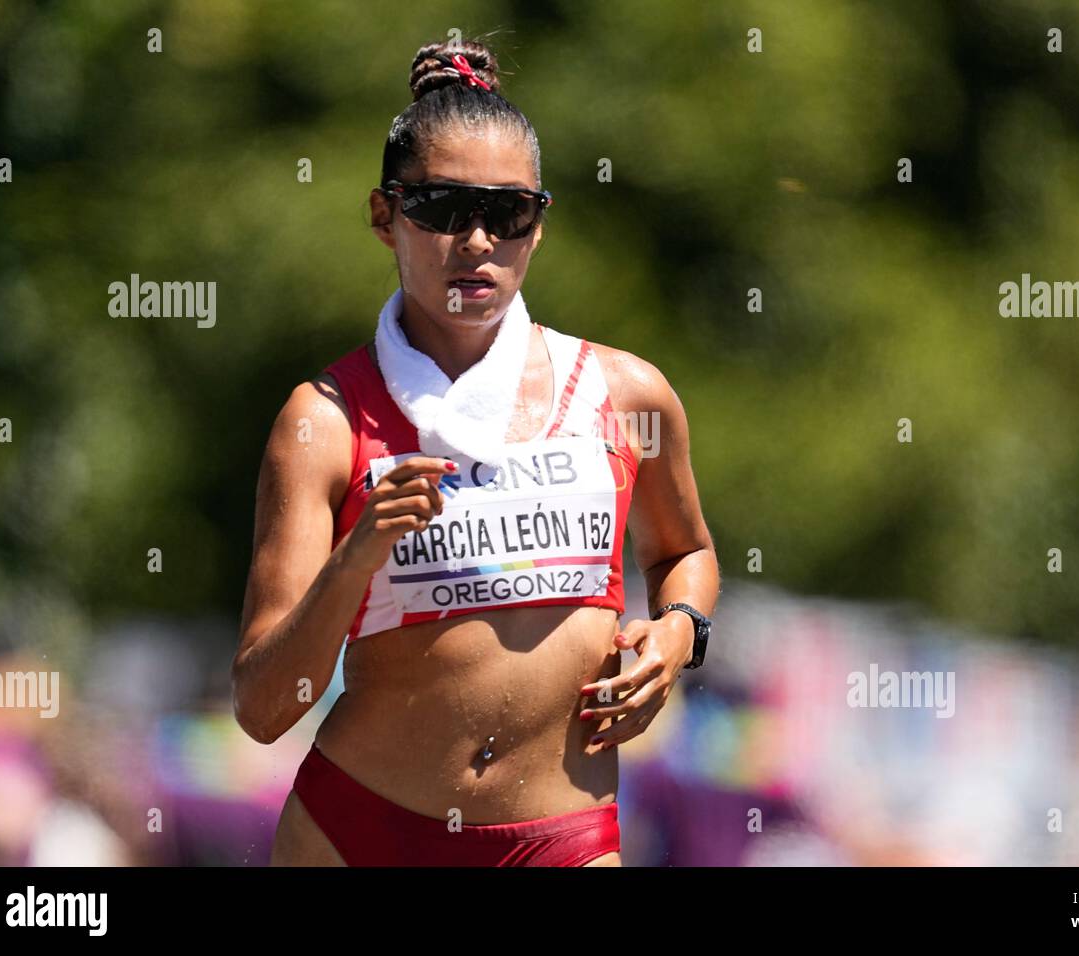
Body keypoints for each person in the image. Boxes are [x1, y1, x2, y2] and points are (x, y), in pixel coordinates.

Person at [233, 38, 720, 866]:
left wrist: (680, 632)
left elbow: (686, 551)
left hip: (559, 837)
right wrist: (354, 562)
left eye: (509, 213)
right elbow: (266, 707)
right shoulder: (322, 420)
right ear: (385, 216)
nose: (477, 240)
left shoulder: (627, 393)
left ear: (540, 221)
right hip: (357, 830)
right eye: (443, 208)